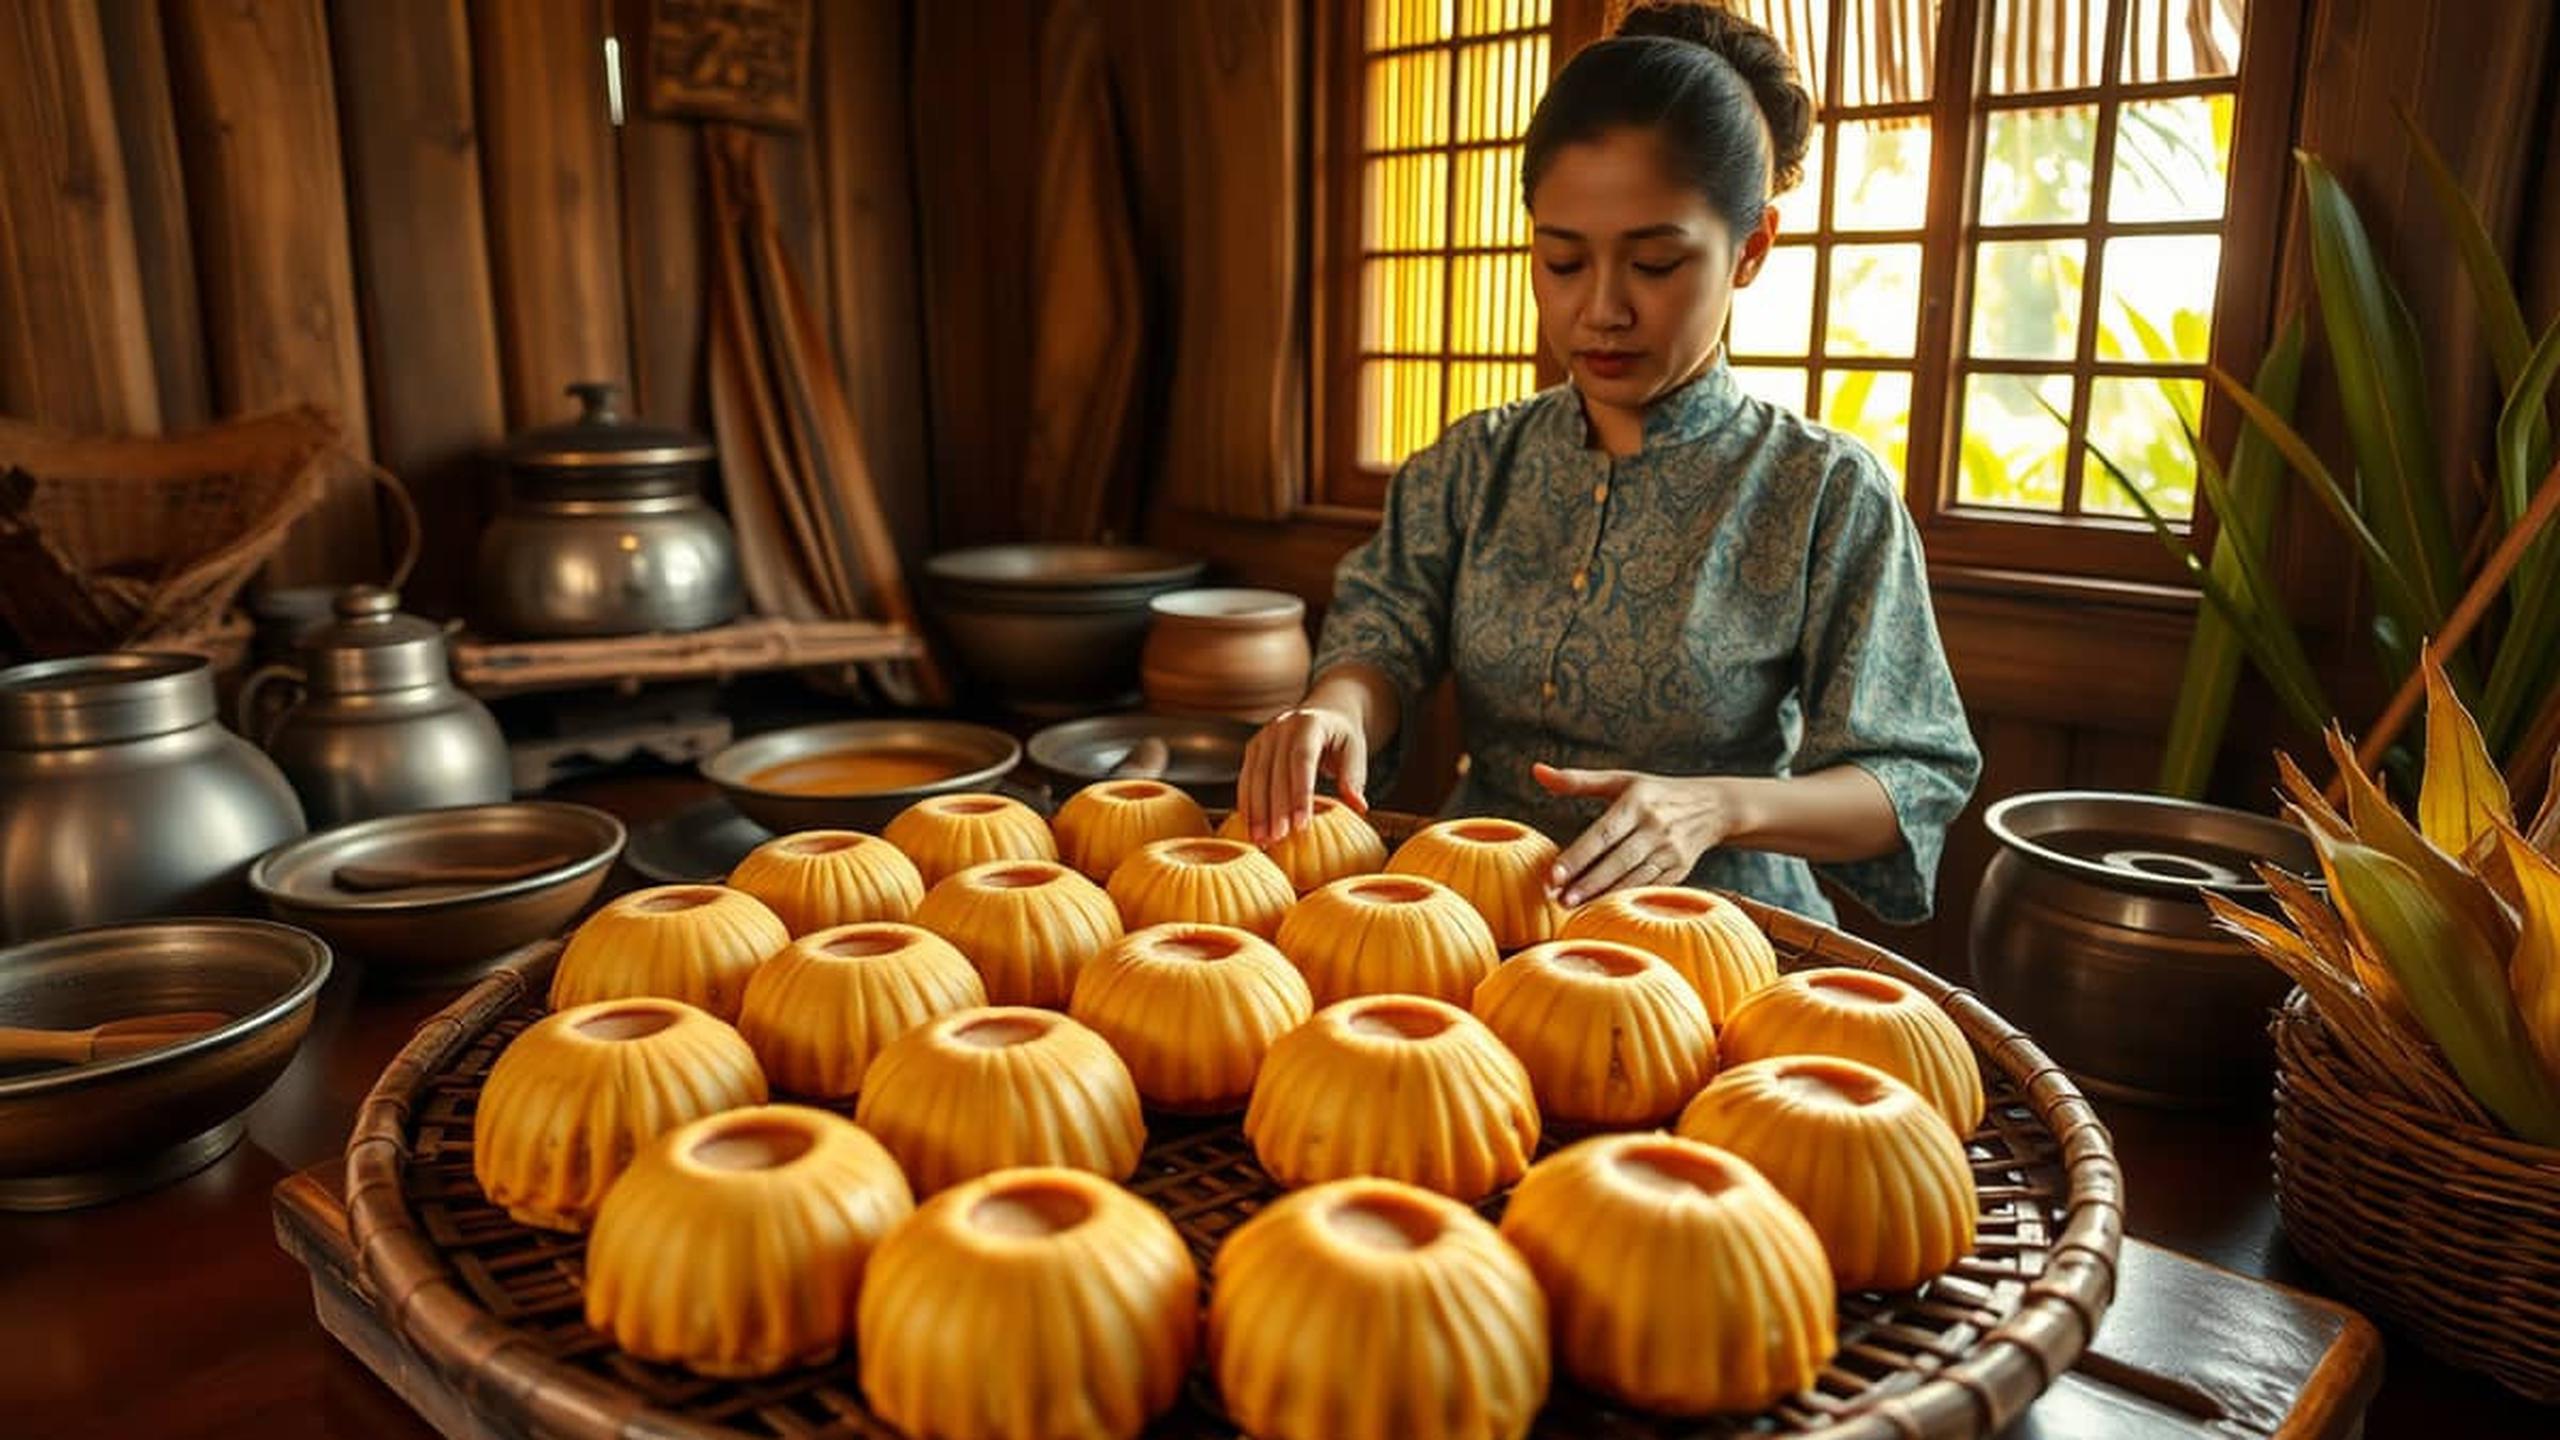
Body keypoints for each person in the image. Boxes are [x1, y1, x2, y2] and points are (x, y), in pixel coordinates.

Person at [1236, 0, 1980, 926]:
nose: (1601, 311)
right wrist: (1338, 710)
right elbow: (1381, 639)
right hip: (1471, 920)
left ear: (1750, 250)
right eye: (1562, 262)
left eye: (1656, 264)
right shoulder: (1475, 461)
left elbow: (1910, 779)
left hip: (1714, 938)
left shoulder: (1820, 490)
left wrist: (1719, 805)